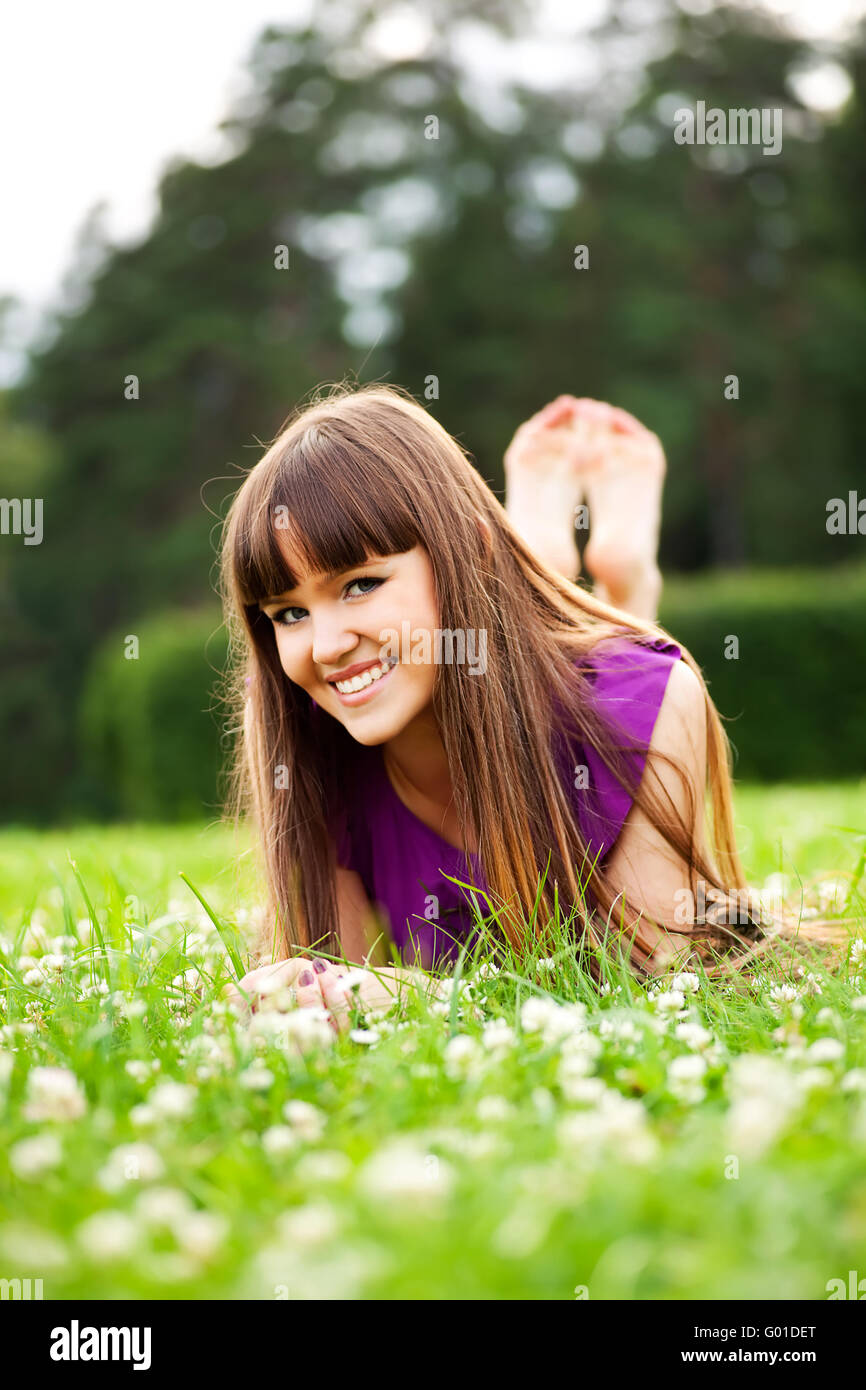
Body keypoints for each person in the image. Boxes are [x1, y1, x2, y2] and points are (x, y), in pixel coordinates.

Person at [220, 384, 847, 1031]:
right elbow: (341, 986)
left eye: (360, 585)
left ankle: (620, 577)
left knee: (577, 690)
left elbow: (660, 981)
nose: (325, 647)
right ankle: (541, 554)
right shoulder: (308, 730)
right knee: (485, 665)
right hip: (482, 645)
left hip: (580, 695)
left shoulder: (643, 693)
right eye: (288, 613)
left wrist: (429, 1001)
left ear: (468, 551)